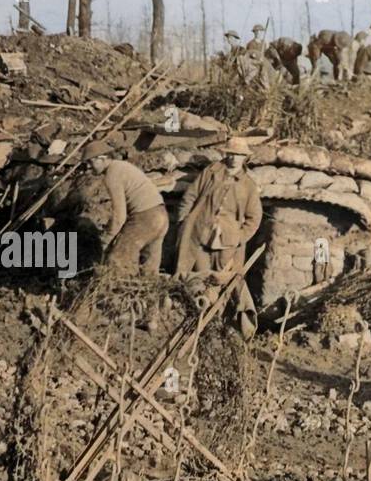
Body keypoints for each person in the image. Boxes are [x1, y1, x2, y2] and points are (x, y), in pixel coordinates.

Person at [173, 137, 263, 336]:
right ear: (225, 154)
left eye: (238, 155)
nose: (233, 158)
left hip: (228, 243)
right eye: (230, 154)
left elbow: (254, 217)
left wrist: (240, 237)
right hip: (200, 235)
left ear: (244, 158)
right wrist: (184, 222)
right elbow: (190, 197)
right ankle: (194, 321)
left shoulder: (248, 185)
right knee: (198, 277)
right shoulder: (211, 172)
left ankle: (217, 325)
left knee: (222, 282)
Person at [82, 140, 168, 274]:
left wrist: (106, 241)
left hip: (145, 218)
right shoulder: (121, 166)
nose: (88, 167)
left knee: (118, 260)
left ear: (102, 158)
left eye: (90, 162)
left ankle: (121, 293)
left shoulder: (112, 174)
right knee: (149, 271)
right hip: (161, 215)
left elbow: (119, 217)